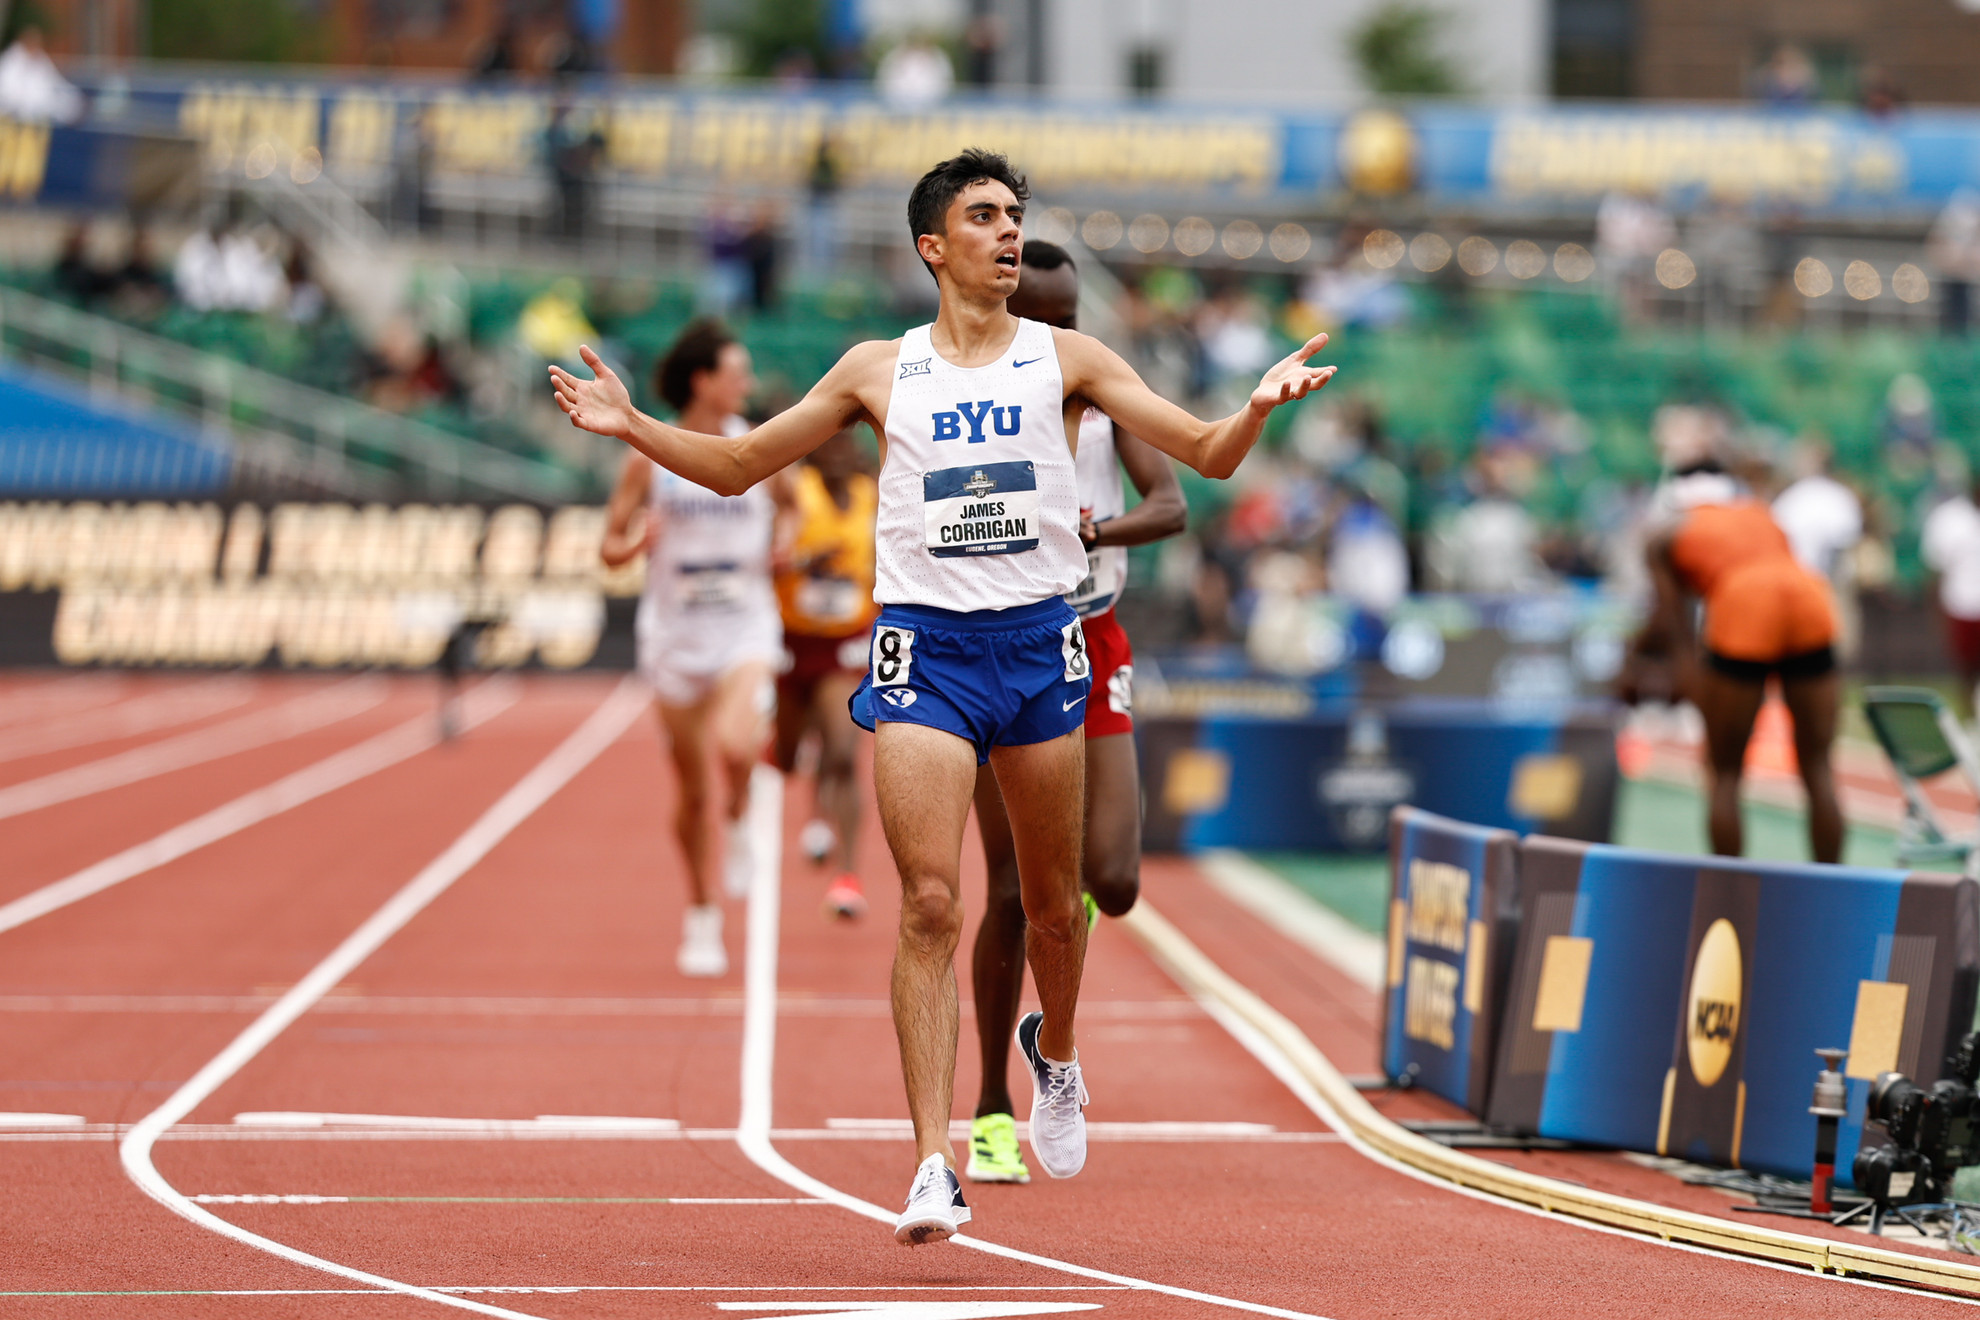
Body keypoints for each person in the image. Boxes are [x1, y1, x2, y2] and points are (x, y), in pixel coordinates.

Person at [551, 148, 1336, 1246]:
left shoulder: (1069, 358)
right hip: (922, 650)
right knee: (931, 902)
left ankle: (1052, 1054)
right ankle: (932, 1161)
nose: (1010, 233)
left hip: (1037, 647)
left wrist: (1257, 407)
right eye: (985, 217)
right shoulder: (881, 370)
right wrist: (633, 426)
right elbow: (738, 469)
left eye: (1017, 216)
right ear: (935, 246)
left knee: (1058, 909)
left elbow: (1202, 455)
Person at [963, 239, 1187, 1185]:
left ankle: (1048, 1007)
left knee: (1115, 879)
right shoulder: (975, 401)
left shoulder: (1102, 395)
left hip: (1093, 642)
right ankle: (989, 1106)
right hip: (998, 645)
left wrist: (1095, 527)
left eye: (1068, 320)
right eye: (1040, 319)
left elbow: (1172, 503)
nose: (1056, 336)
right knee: (1010, 890)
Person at [598, 320, 798, 979]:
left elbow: (792, 505)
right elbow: (609, 546)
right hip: (675, 637)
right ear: (702, 381)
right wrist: (639, 542)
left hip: (744, 625)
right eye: (736, 373)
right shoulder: (647, 455)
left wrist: (785, 542)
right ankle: (702, 910)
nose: (746, 384)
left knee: (738, 747)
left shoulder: (757, 444)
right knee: (688, 793)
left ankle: (740, 813)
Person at [1624, 457, 1842, 863]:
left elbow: (1668, 622)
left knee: (1723, 771)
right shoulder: (1758, 510)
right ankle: (1835, 886)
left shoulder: (1664, 535)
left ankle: (1730, 892)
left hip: (1744, 607)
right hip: (1809, 598)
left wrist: (1643, 664)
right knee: (1818, 766)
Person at [772, 428, 880, 920]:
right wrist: (802, 560)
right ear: (814, 453)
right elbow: (766, 559)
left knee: (843, 751)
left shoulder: (869, 496)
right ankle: (791, 750)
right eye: (830, 447)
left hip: (844, 642)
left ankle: (848, 876)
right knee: (789, 758)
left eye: (847, 447)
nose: (840, 455)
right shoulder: (796, 491)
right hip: (794, 642)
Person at [1923, 477, 1980, 717]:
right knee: (1966, 671)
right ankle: (1970, 725)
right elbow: (1936, 569)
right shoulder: (1950, 517)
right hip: (1962, 604)